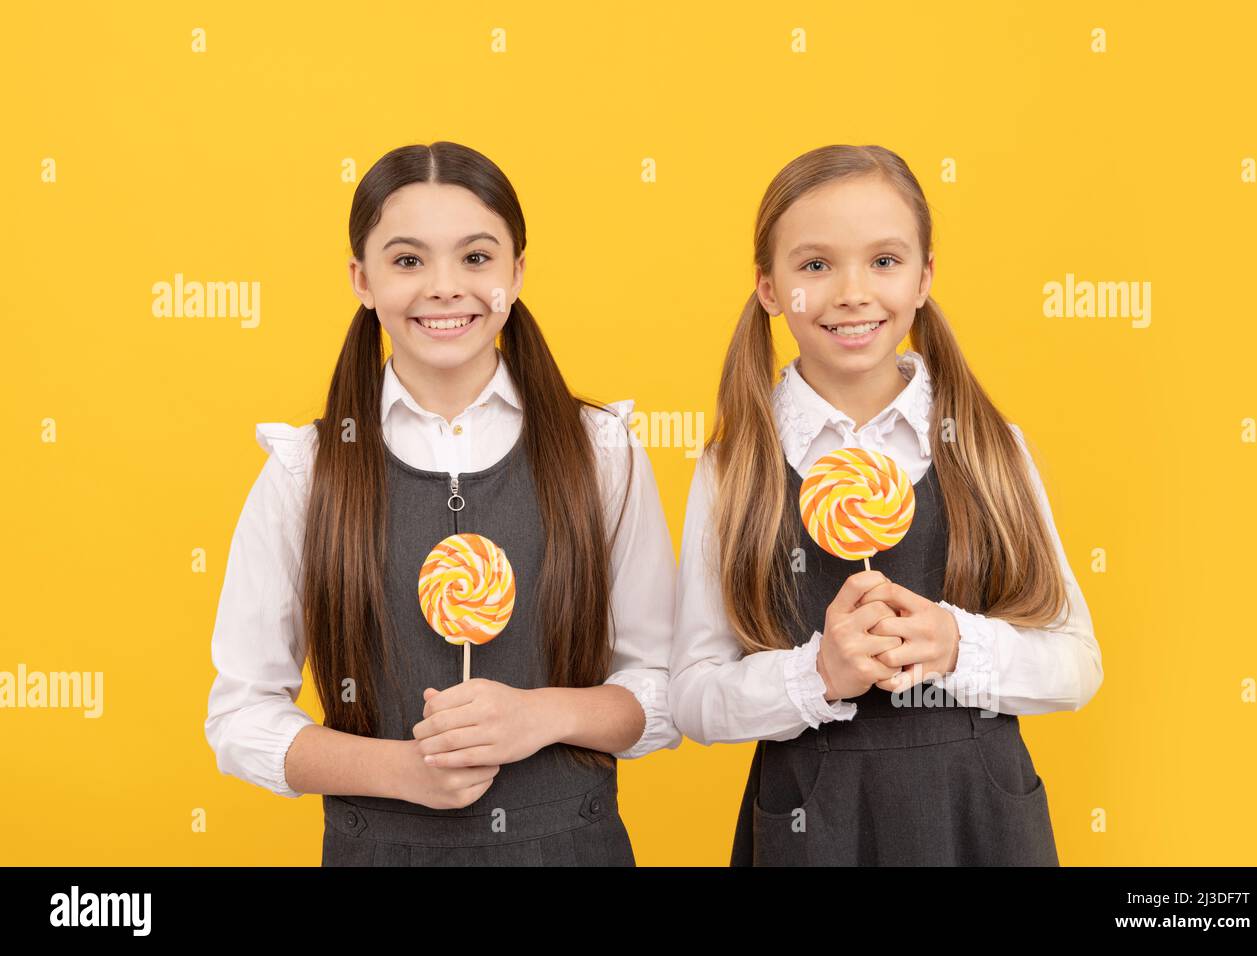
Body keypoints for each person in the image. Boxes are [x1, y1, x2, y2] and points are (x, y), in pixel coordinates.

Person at [205, 141, 680, 866]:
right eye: (407, 261)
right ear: (361, 280)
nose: (444, 287)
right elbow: (240, 715)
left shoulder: (601, 451)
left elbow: (664, 688)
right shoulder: (307, 470)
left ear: (517, 272)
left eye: (476, 257)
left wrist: (538, 717)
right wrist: (398, 771)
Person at [669, 144, 1103, 866]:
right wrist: (819, 674)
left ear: (925, 277)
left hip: (979, 817)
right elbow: (692, 696)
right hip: (814, 822)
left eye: (884, 261)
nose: (851, 292)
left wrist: (956, 644)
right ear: (770, 289)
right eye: (814, 265)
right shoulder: (734, 466)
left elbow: (1077, 663)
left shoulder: (990, 447)